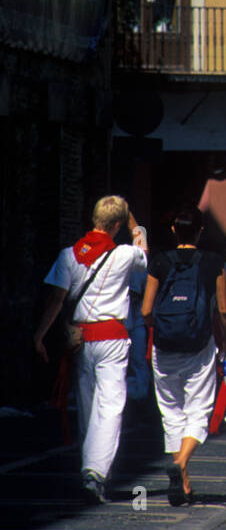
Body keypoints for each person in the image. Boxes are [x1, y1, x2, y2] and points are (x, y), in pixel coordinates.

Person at [34, 196, 148, 503]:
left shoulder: (68, 254)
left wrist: (39, 336)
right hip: (111, 336)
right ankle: (95, 472)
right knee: (109, 406)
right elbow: (143, 246)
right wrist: (132, 218)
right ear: (118, 226)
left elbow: (56, 300)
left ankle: (90, 467)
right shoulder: (125, 254)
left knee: (86, 404)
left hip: (80, 337)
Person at [142, 205, 226, 505]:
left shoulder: (159, 261)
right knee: (198, 411)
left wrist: (160, 330)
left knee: (171, 411)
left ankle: (184, 480)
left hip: (164, 346)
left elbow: (145, 310)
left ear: (173, 231)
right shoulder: (214, 263)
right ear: (201, 231)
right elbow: (223, 309)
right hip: (199, 345)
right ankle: (180, 466)